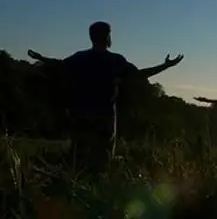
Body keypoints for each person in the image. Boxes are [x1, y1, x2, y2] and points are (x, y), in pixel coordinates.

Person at [27, 21, 184, 174]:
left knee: (78, 157)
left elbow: (60, 64)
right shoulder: (115, 60)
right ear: (107, 37)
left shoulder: (79, 58)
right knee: (104, 160)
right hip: (105, 116)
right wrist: (165, 66)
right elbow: (139, 75)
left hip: (80, 114)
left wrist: (41, 58)